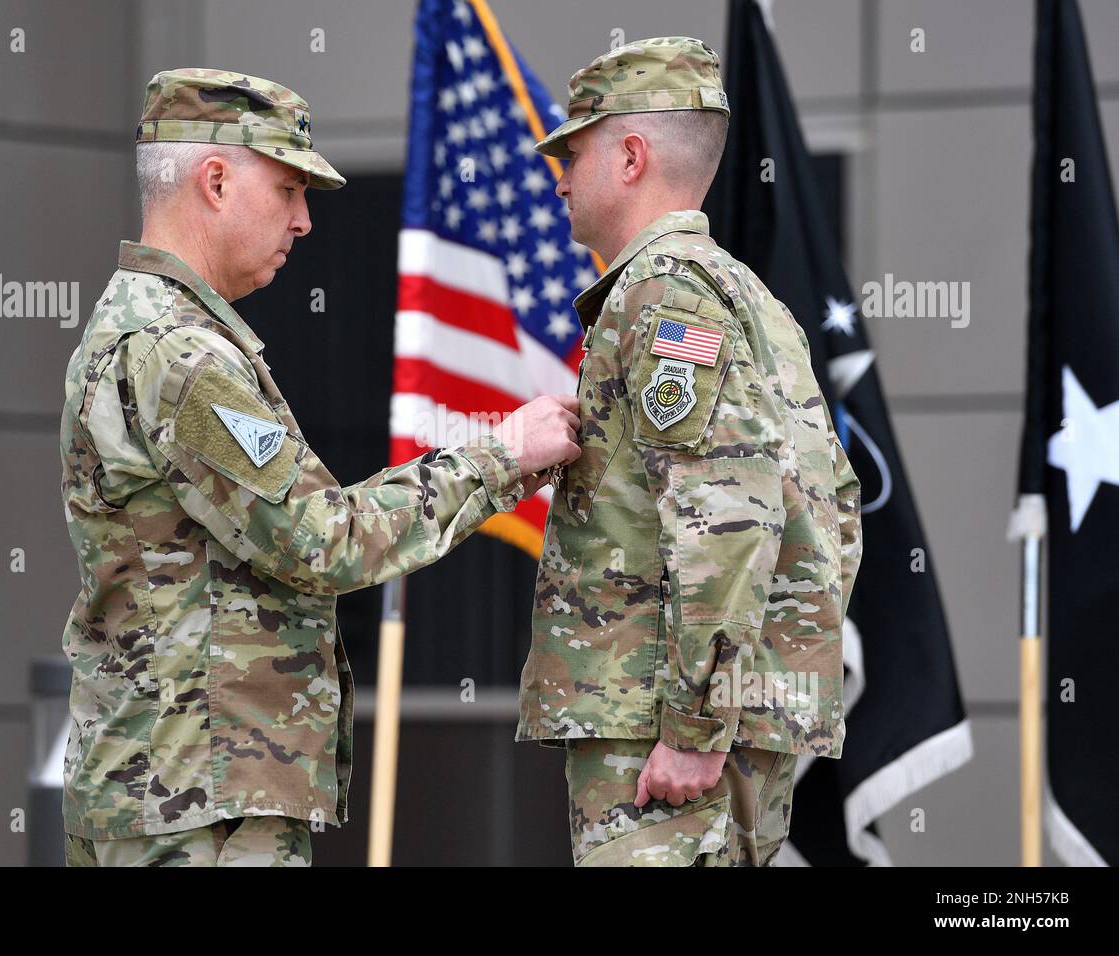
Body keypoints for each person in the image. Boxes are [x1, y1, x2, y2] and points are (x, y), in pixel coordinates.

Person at [59, 68, 579, 866]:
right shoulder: (181, 352)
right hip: (199, 800)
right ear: (218, 178)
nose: (303, 221)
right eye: (289, 188)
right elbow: (320, 541)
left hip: (170, 783)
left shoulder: (148, 329)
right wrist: (500, 458)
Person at [514, 38, 863, 866]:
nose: (558, 176)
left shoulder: (662, 292)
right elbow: (829, 509)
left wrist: (698, 726)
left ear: (630, 156)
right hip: (712, 712)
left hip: (664, 730)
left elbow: (730, 516)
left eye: (571, 151)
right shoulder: (752, 299)